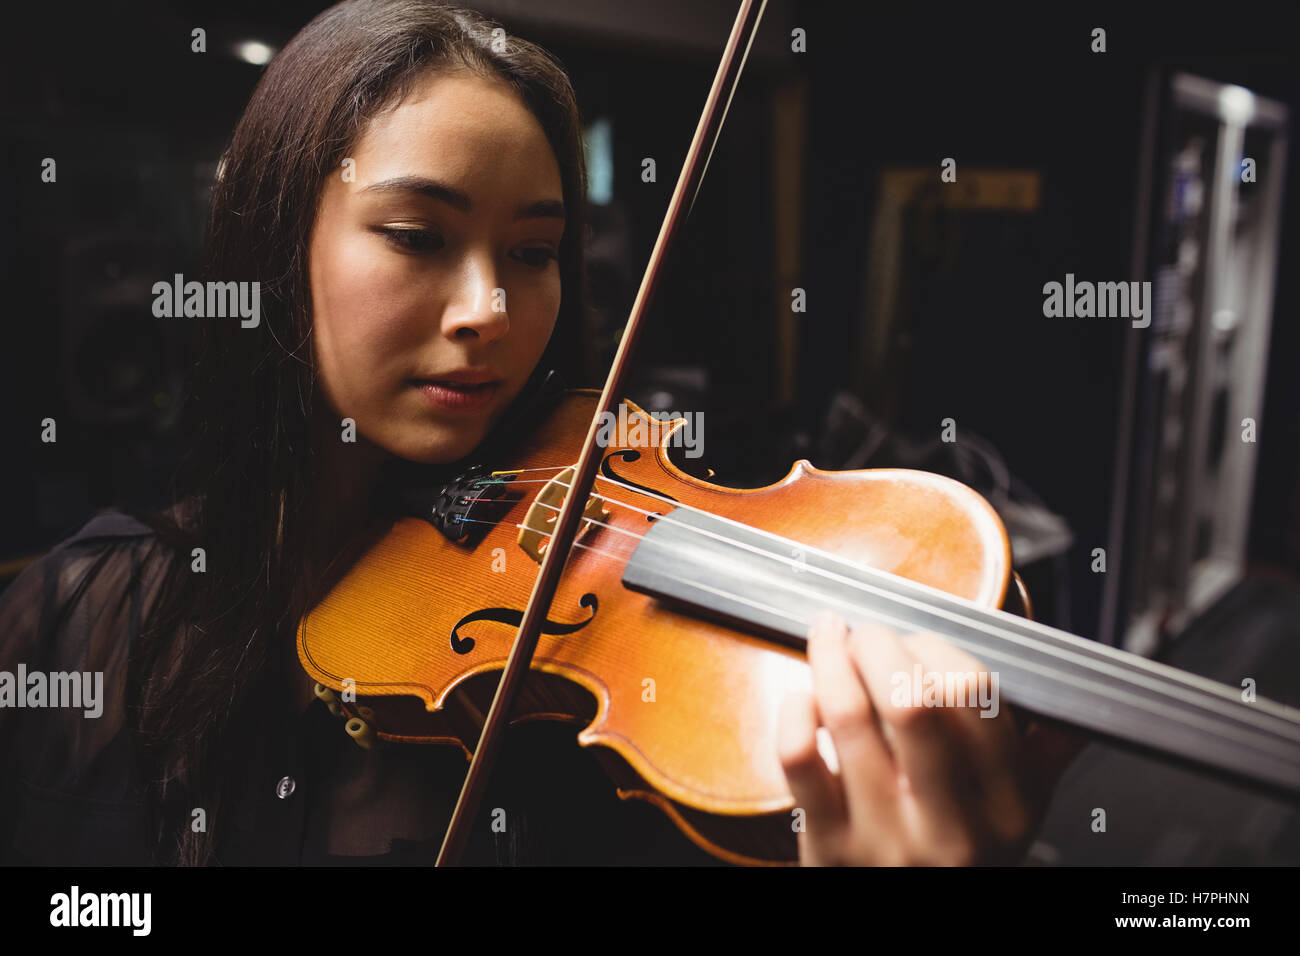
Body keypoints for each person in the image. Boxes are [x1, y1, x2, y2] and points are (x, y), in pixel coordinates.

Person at [0, 0, 1076, 866]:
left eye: (533, 251)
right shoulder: (72, 620)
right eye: (418, 235)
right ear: (278, 246)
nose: (492, 311)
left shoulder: (581, 724)